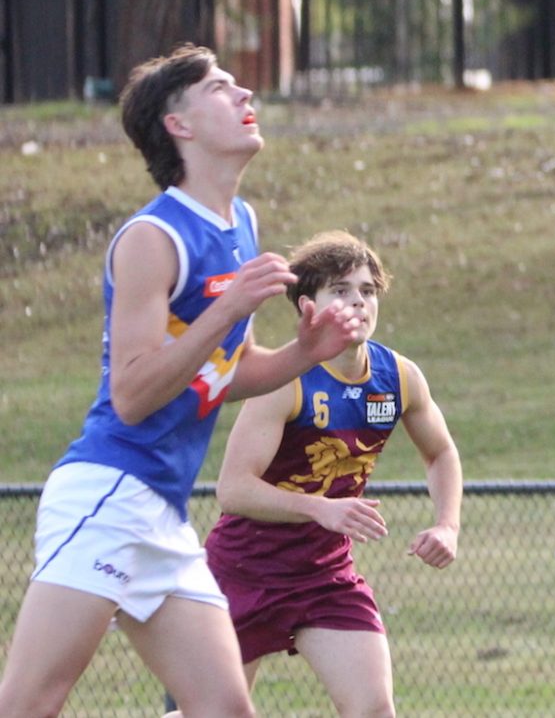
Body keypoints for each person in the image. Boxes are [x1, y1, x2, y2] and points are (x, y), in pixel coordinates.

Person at [0, 46, 367, 718]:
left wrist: (306, 350)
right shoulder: (152, 237)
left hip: (160, 512)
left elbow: (229, 374)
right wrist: (226, 308)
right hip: (108, 493)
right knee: (28, 705)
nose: (245, 91)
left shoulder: (240, 225)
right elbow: (133, 395)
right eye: (221, 87)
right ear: (181, 125)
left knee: (226, 711)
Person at [198, 232, 464, 718]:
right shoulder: (284, 380)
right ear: (308, 306)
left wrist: (447, 523)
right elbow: (233, 490)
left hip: (325, 576)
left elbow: (441, 452)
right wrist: (321, 509)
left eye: (367, 290)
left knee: (373, 710)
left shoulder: (399, 377)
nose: (358, 301)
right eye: (341, 290)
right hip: (243, 571)